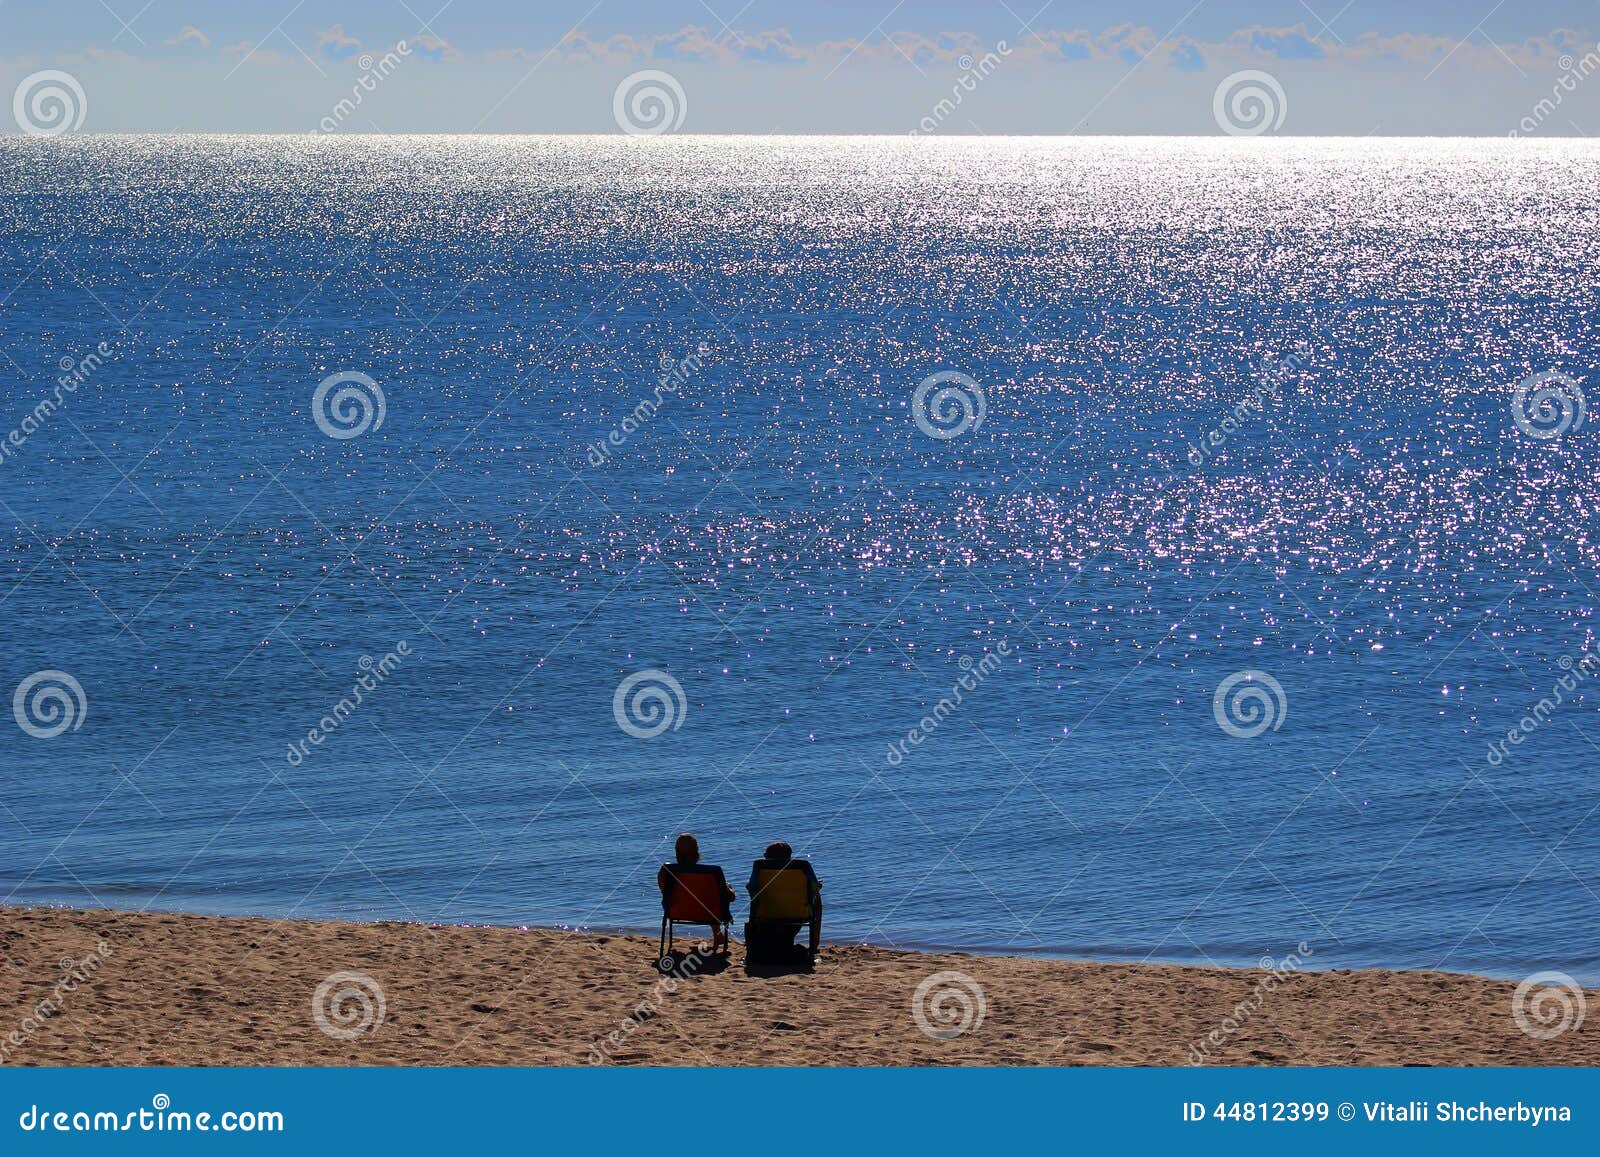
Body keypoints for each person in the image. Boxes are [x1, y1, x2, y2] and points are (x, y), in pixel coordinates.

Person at [657, 833, 736, 954]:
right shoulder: (712, 873)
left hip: (676, 911)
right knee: (714, 897)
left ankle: (717, 935)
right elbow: (730, 897)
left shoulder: (667, 871)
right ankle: (717, 933)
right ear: (697, 851)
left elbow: (664, 891)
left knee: (703, 897)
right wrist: (729, 889)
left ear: (676, 852)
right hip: (708, 913)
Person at [745, 840, 822, 962]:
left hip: (765, 914)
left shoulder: (760, 867)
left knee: (755, 896)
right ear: (789, 856)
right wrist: (816, 888)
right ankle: (814, 945)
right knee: (817, 900)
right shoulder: (802, 867)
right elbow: (813, 887)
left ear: (767, 857)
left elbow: (752, 889)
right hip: (798, 913)